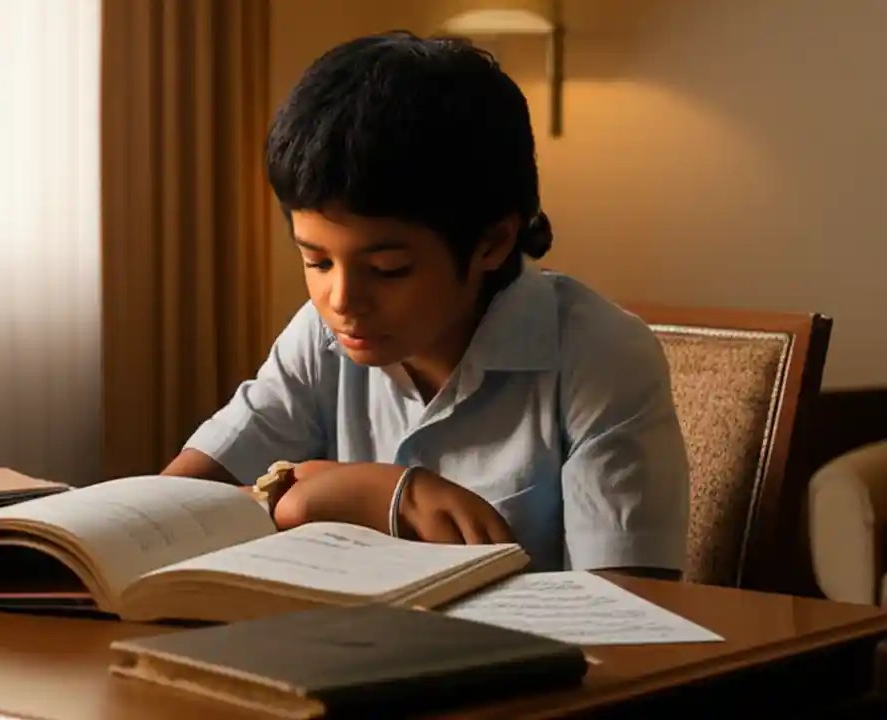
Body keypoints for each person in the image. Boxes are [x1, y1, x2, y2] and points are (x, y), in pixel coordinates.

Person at [161, 31, 689, 577]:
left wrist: (324, 495)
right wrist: (359, 492)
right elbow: (160, 513)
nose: (342, 301)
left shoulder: (598, 358)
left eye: (388, 270)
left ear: (492, 243)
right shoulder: (320, 339)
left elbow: (632, 606)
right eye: (317, 262)